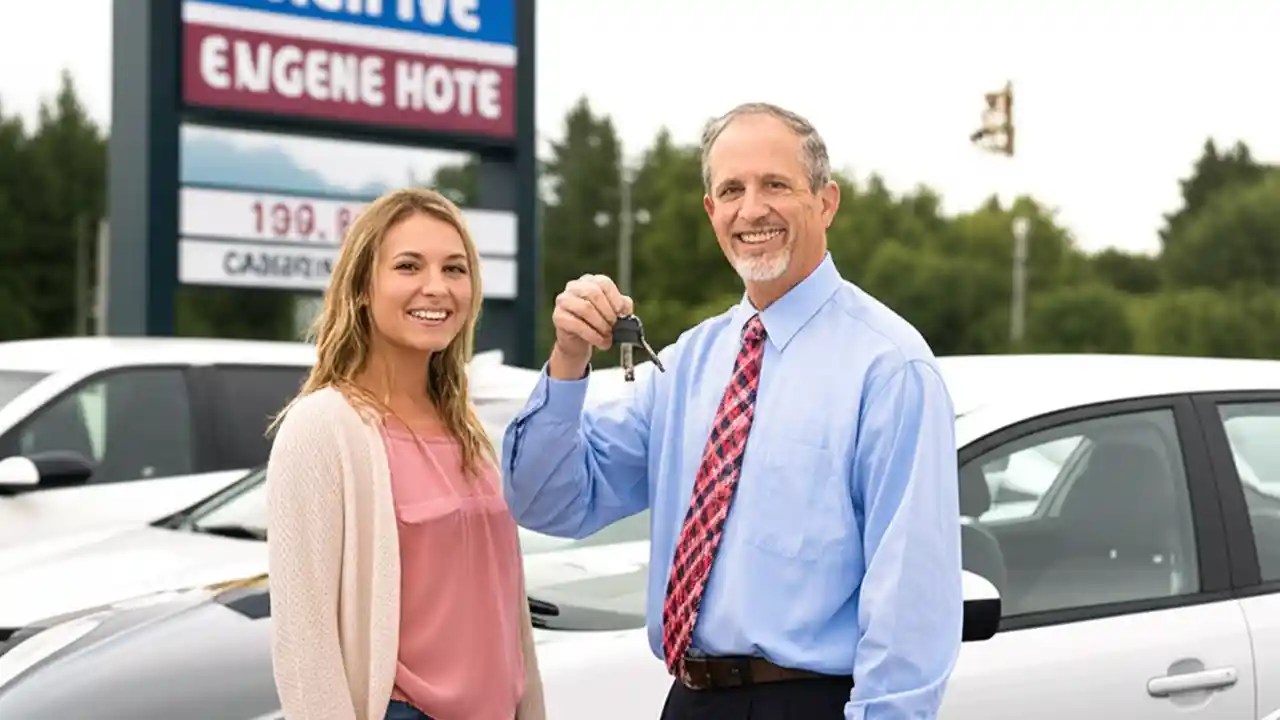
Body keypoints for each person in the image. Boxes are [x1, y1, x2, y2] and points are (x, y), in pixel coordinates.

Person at [501, 102, 963, 719]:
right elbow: (547, 500)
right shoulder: (687, 364)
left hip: (813, 701)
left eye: (775, 184)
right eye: (732, 190)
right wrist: (567, 360)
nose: (752, 209)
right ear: (711, 211)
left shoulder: (889, 367)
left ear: (826, 202)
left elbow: (911, 597)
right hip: (690, 702)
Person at [266, 187, 545, 720]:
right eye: (409, 266)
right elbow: (305, 640)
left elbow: (508, 609)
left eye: (455, 269)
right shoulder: (323, 427)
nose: (436, 288)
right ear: (363, 287)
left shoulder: (467, 429)